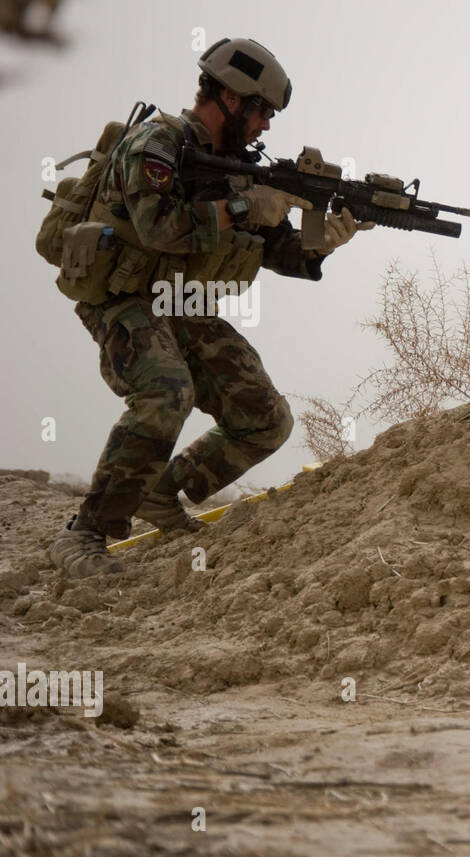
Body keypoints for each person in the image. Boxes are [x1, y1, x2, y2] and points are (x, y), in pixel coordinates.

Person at [49, 37, 370, 578]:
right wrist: (247, 204)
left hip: (184, 303)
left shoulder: (241, 168)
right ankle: (85, 532)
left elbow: (278, 251)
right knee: (165, 391)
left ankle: (161, 491)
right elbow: (157, 227)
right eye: (262, 110)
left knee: (267, 420)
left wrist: (322, 240)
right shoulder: (157, 144)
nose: (266, 125)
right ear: (228, 96)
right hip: (122, 297)